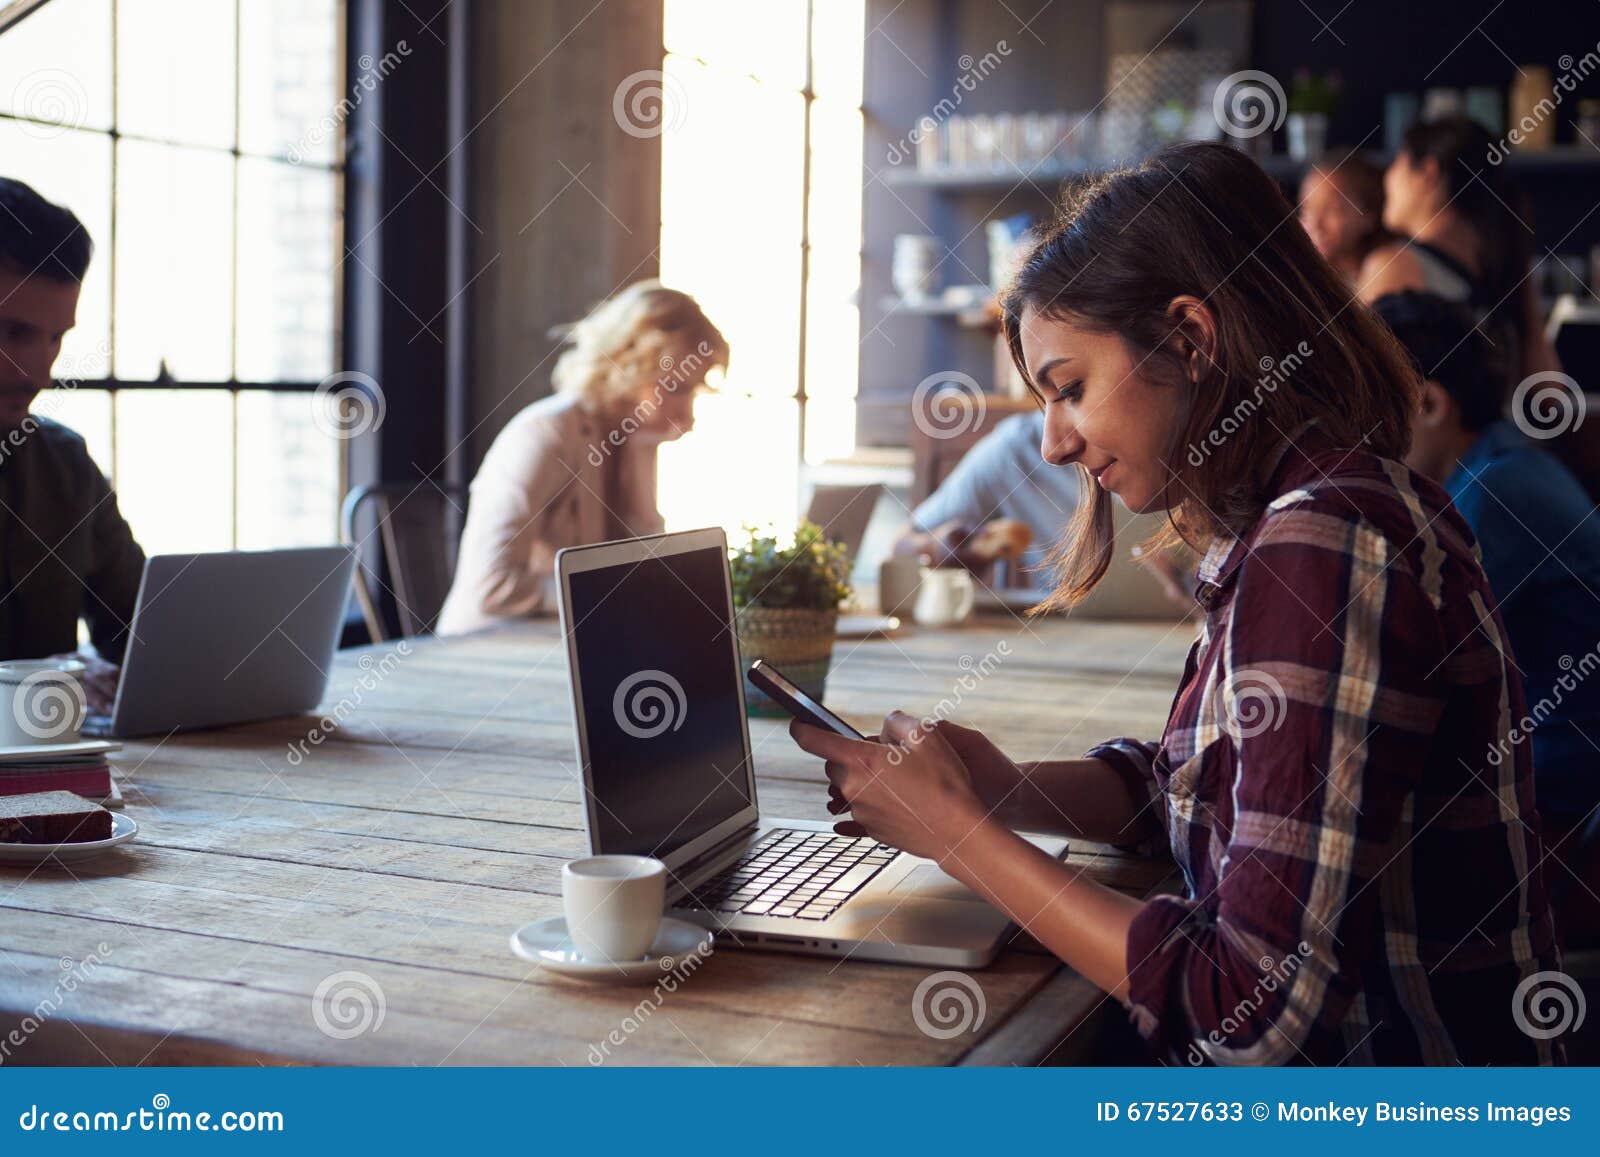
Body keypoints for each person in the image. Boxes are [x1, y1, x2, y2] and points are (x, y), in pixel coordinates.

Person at [790, 141, 1562, 1065]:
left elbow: (1253, 1009)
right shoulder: (1296, 521)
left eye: (1070, 389)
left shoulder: (1324, 545)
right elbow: (1214, 794)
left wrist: (958, 832)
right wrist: (1005, 786)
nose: (1051, 444)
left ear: (1191, 340)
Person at [1374, 289, 1600, 922]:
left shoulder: (1494, 493)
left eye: (1371, 409)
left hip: (1564, 794)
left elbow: (1413, 651)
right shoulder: (1500, 465)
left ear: (1429, 403)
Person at [437, 281, 728, 634]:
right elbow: (490, 586)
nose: (689, 413)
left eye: (693, 390)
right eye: (678, 387)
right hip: (484, 650)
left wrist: (639, 455)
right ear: (630, 362)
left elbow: (647, 571)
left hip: (562, 644)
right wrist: (601, 591)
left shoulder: (633, 437)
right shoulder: (545, 433)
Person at [0, 177, 144, 710]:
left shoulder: (65, 464)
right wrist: (33, 689)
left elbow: (140, 633)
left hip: (57, 785)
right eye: (11, 333)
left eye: (57, 337)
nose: (39, 374)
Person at [1360, 116, 1561, 380]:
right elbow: (1548, 391)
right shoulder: (1503, 265)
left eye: (1398, 164)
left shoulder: (1396, 265)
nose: (1388, 178)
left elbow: (1366, 384)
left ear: (1428, 173)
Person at [1297, 157, 1393, 284]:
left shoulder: (1387, 274)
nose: (1315, 224)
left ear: (1370, 215)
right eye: (1306, 210)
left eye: (1331, 209)